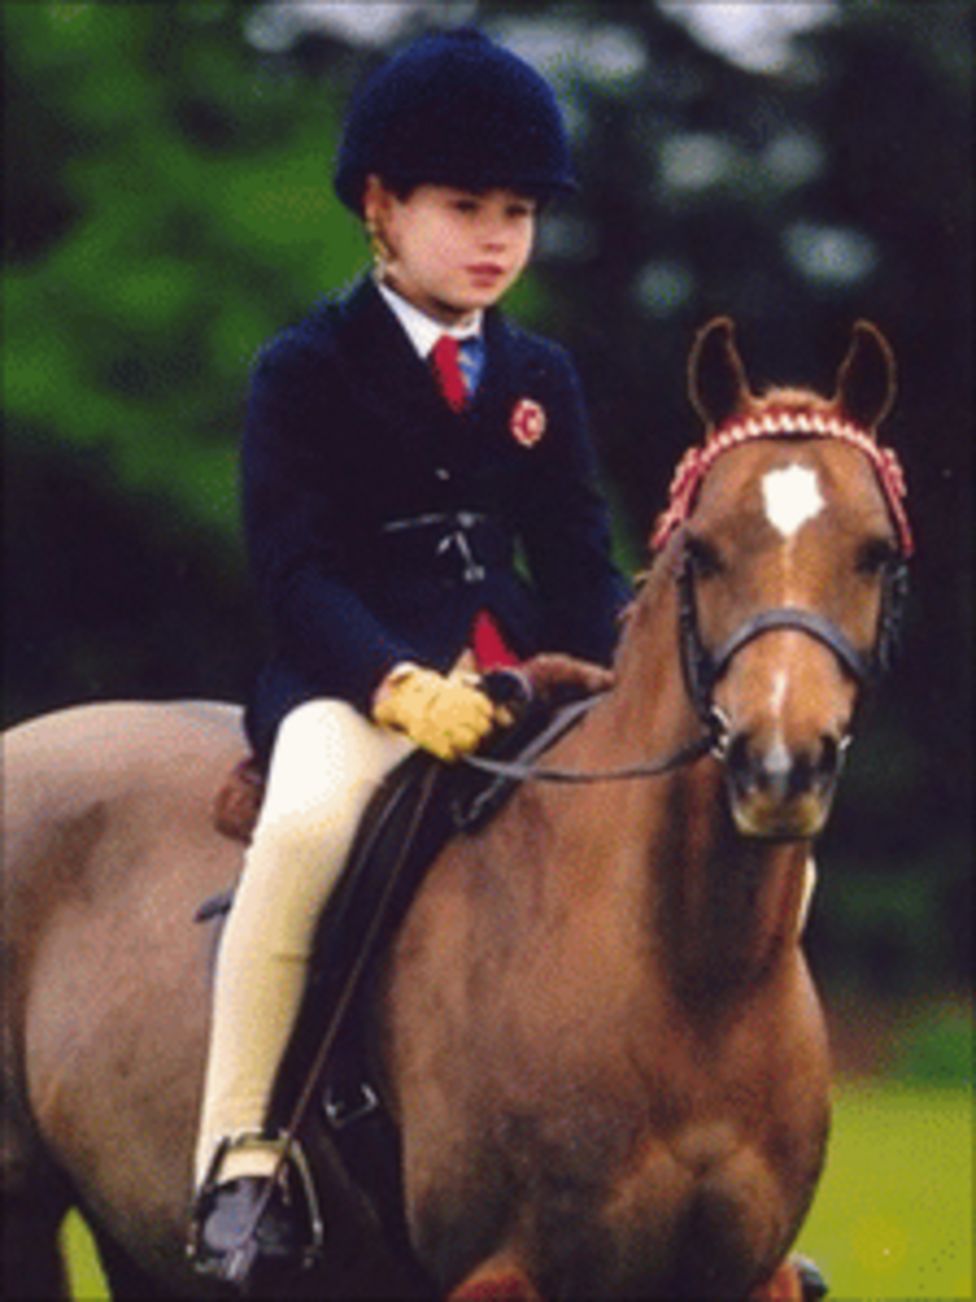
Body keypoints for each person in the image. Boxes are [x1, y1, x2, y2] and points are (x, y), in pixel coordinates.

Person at [189, 24, 631, 1282]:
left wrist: (618, 679)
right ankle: (242, 1155)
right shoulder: (306, 367)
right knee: (307, 829)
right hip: (353, 676)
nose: (496, 239)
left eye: (517, 213)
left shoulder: (539, 373)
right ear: (381, 207)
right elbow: (292, 572)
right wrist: (392, 683)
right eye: (463, 209)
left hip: (519, 678)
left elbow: (577, 557)